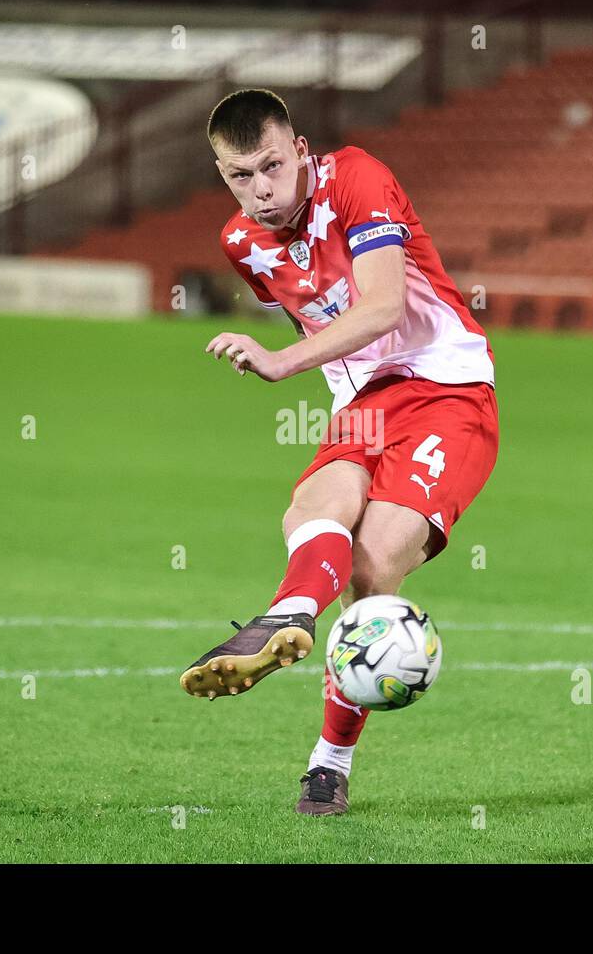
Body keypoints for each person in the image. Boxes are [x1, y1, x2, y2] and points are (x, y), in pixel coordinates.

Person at [180, 88, 499, 816]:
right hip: (360, 404)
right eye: (238, 175)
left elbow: (383, 305)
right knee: (312, 507)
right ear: (221, 173)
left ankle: (329, 762)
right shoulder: (241, 243)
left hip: (445, 387)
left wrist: (280, 362)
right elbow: (320, 314)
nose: (260, 188)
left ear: (298, 147)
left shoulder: (356, 177)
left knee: (372, 563)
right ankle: (288, 614)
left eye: (270, 165)